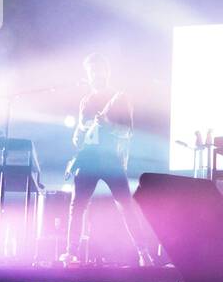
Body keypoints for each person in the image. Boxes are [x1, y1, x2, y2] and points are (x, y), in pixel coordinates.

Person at [61, 53, 155, 266]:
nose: (95, 74)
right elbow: (78, 135)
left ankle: (144, 254)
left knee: (125, 206)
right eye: (91, 71)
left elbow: (128, 132)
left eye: (99, 69)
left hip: (111, 159)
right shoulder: (85, 101)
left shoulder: (120, 98)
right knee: (77, 206)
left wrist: (108, 125)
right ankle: (71, 253)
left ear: (107, 71)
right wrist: (82, 129)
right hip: (88, 159)